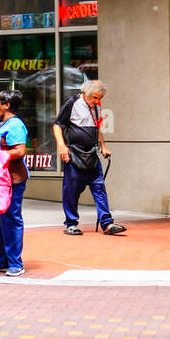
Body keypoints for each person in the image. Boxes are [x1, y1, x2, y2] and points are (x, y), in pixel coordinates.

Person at [53, 79, 126, 236]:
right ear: (85, 93)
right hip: (74, 154)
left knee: (99, 188)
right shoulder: (72, 103)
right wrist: (62, 147)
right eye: (94, 97)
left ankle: (107, 223)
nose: (97, 101)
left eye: (99, 98)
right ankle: (71, 224)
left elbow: (97, 128)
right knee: (71, 190)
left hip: (92, 154)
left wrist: (103, 146)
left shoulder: (96, 107)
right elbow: (58, 125)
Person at [0, 90, 29, 277]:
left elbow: (20, 151)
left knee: (11, 218)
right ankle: (1, 260)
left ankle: (15, 263)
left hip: (12, 179)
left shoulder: (16, 125)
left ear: (7, 105)